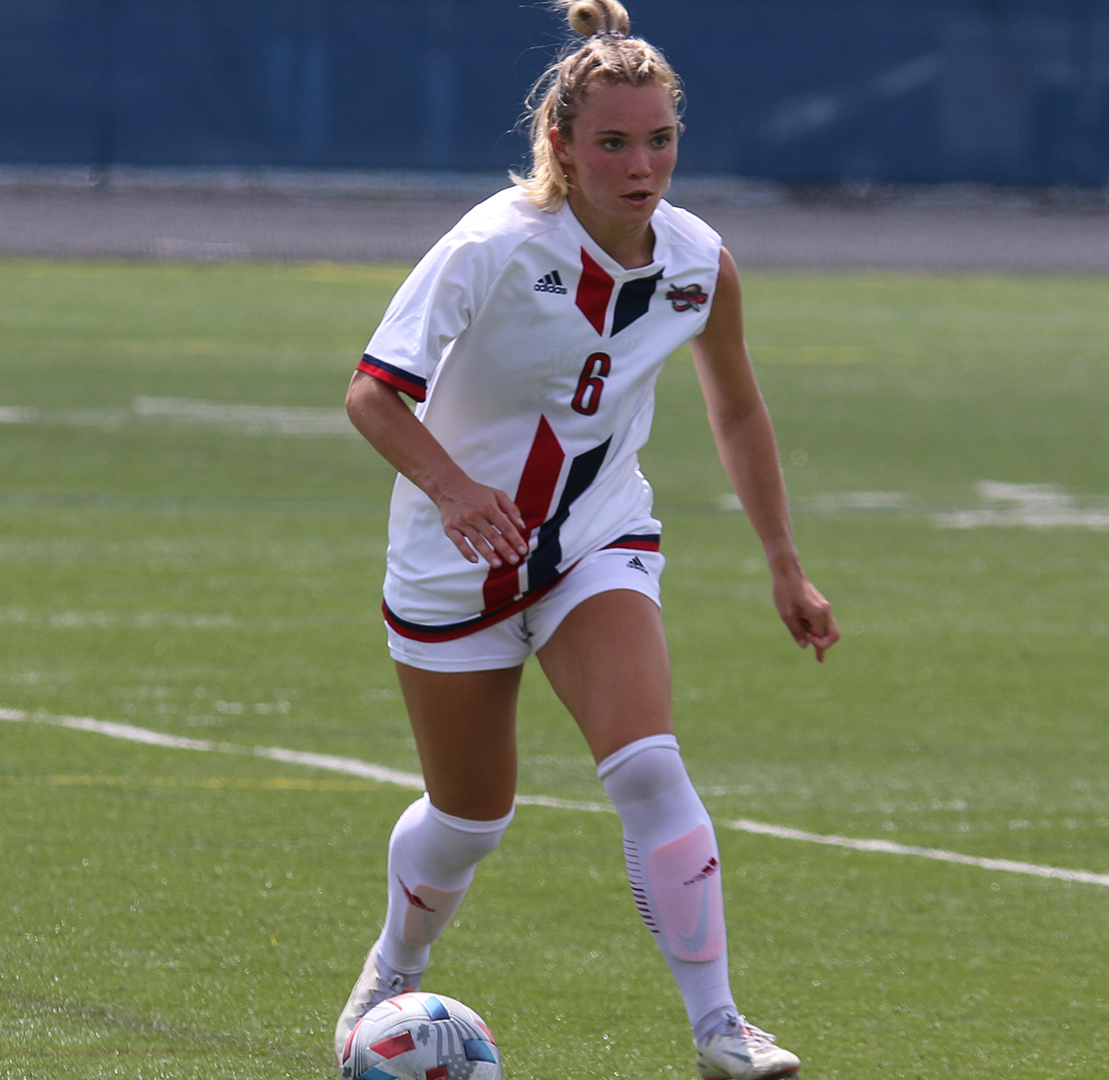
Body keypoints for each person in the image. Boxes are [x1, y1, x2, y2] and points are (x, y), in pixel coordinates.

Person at [337, 2, 837, 1077]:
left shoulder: (701, 262)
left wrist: (784, 565)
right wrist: (456, 489)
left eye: (659, 140)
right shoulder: (494, 245)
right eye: (613, 141)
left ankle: (721, 1031)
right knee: (471, 818)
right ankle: (393, 966)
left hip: (597, 539)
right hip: (452, 559)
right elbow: (373, 397)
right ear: (560, 143)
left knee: (650, 766)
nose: (641, 164)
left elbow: (739, 410)